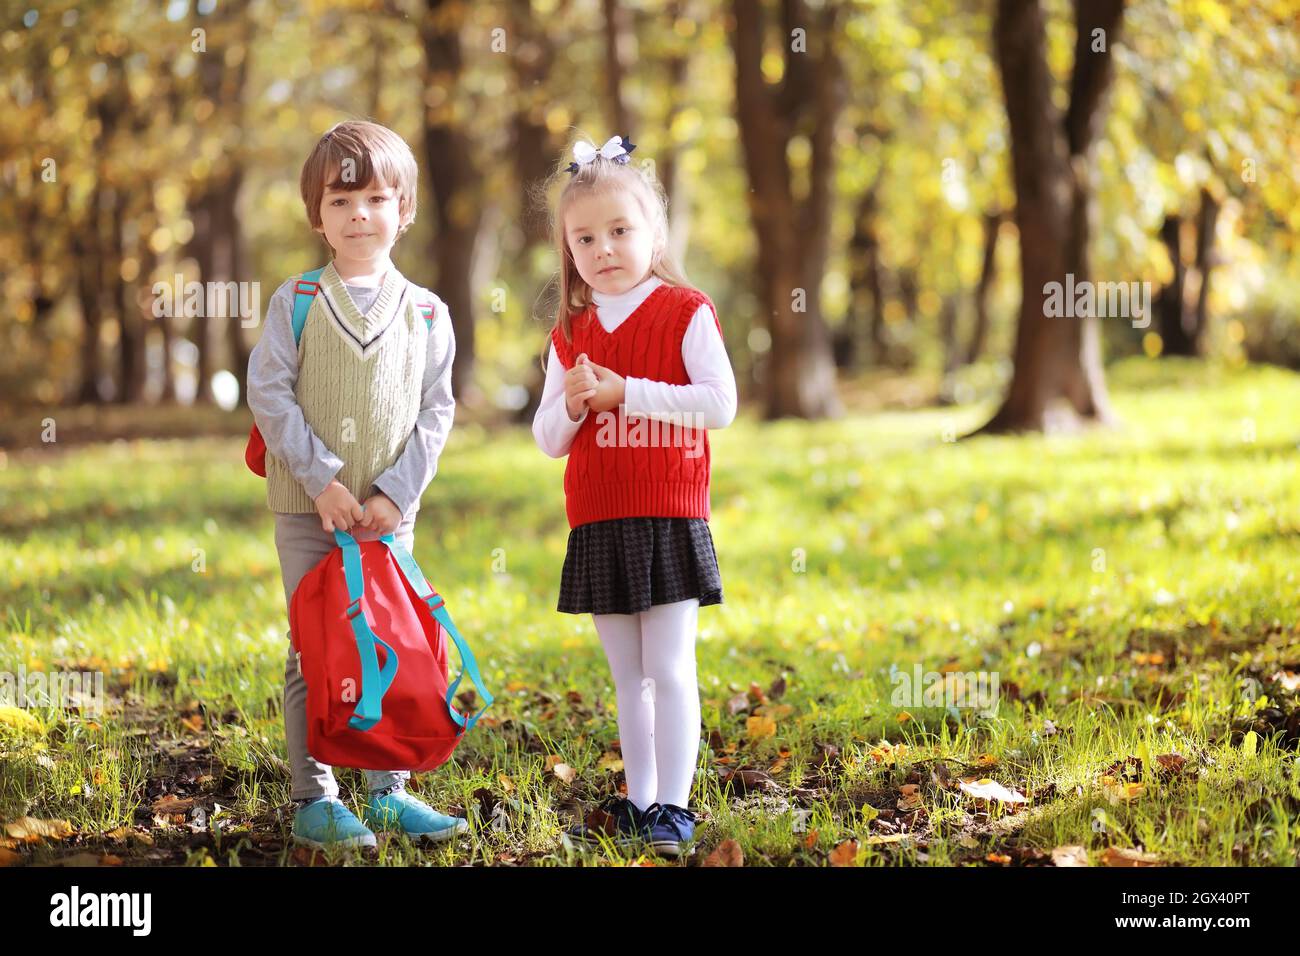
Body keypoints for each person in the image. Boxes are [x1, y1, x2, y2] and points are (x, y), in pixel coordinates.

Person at [247, 120, 462, 850]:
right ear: (318, 217)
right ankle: (316, 797)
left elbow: (437, 412)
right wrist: (324, 483)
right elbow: (270, 396)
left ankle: (390, 789)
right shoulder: (298, 301)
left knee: (390, 640)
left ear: (403, 209)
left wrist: (394, 495)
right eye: (341, 203)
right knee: (315, 647)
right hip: (312, 513)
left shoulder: (429, 313)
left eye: (375, 198)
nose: (359, 214)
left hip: (387, 517)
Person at [532, 136, 738, 857]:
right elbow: (548, 436)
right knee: (628, 677)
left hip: (669, 513)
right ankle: (641, 800)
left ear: (652, 231)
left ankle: (676, 808)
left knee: (670, 667)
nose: (604, 247)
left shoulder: (685, 311)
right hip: (598, 519)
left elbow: (718, 404)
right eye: (584, 237)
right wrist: (579, 406)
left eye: (620, 230)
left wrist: (629, 393)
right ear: (568, 248)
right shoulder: (571, 333)